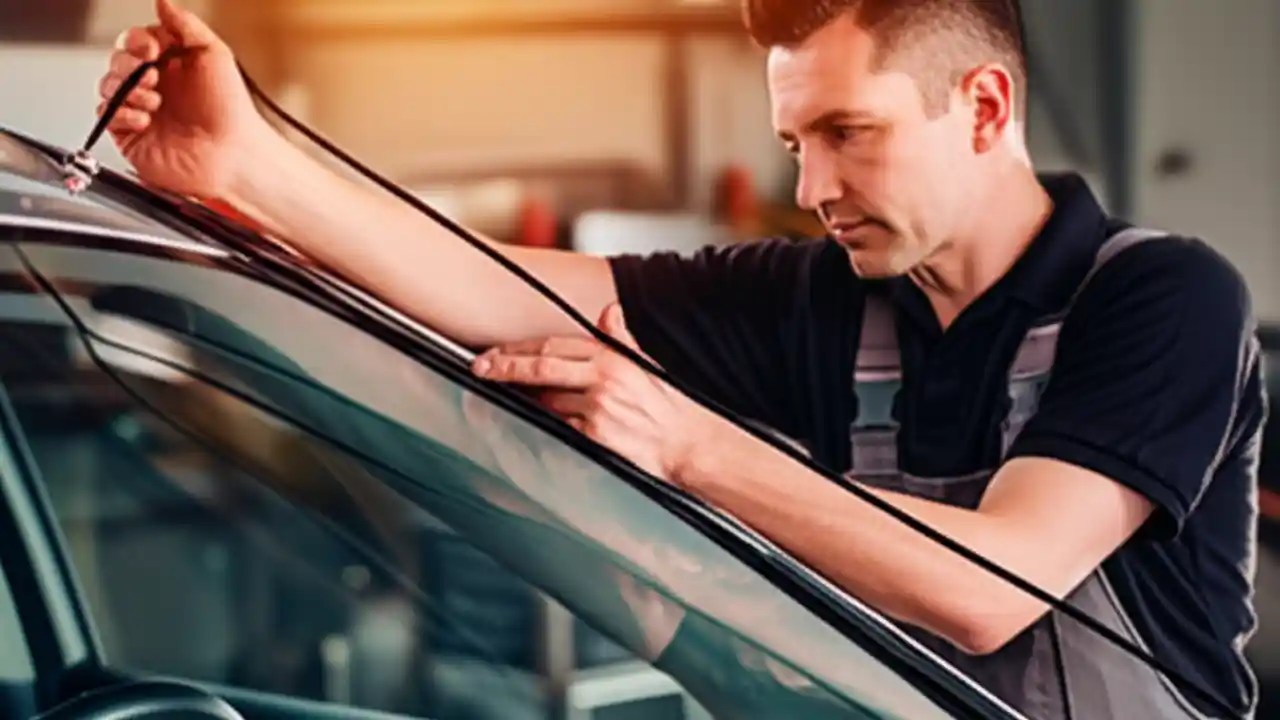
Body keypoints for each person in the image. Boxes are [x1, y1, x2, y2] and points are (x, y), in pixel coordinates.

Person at [100, 0, 1264, 717]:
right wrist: (250, 170)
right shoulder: (821, 296)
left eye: (847, 134)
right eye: (793, 143)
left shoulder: (1162, 297)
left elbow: (989, 590)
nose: (811, 191)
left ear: (983, 103)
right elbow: (508, 293)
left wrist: (679, 439)